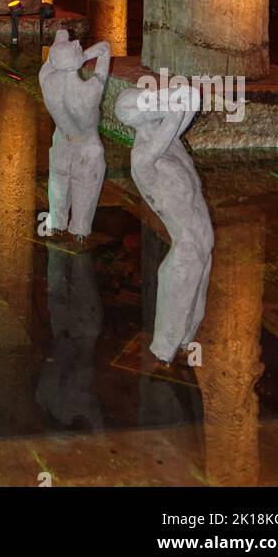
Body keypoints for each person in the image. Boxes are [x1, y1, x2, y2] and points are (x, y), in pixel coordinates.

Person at [115, 82, 213, 363]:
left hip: (201, 250)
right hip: (185, 255)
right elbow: (175, 112)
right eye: (144, 103)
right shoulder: (143, 157)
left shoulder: (171, 143)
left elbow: (189, 103)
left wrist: (167, 97)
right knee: (167, 345)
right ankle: (163, 368)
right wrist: (167, 100)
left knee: (192, 322)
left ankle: (182, 351)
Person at [39, 30, 111, 238]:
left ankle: (56, 231)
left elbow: (53, 58)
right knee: (81, 222)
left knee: (57, 209)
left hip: (62, 145)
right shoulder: (90, 90)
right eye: (75, 45)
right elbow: (105, 48)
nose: (77, 41)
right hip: (86, 150)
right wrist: (82, 57)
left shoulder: (46, 80)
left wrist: (69, 56)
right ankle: (79, 242)